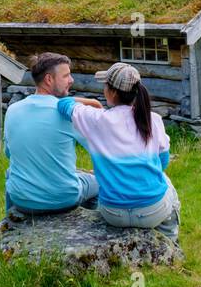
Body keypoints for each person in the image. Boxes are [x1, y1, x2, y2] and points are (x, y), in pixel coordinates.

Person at [55, 62, 180, 240]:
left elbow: (63, 104)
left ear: (112, 92)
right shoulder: (153, 119)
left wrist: (92, 102)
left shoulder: (96, 119)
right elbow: (163, 162)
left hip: (112, 214)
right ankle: (169, 239)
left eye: (105, 85)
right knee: (166, 182)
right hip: (152, 212)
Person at [2, 53, 99, 216]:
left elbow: (9, 153)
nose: (72, 80)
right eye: (66, 75)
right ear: (49, 79)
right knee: (101, 181)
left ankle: (10, 223)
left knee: (11, 173)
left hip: (22, 200)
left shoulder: (13, 110)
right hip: (63, 199)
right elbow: (100, 151)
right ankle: (102, 226)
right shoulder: (68, 113)